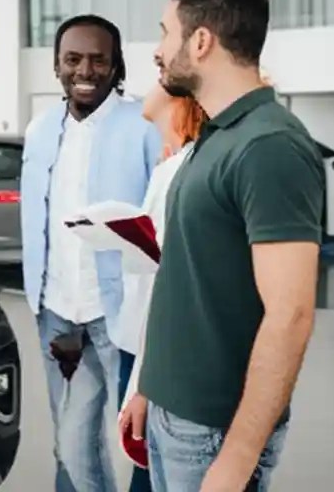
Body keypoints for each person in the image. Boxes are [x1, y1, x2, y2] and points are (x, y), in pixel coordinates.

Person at [129, 0, 325, 492]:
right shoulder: (218, 135)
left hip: (213, 433)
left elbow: (292, 315)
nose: (158, 49)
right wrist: (151, 387)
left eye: (165, 31)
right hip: (176, 412)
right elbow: (187, 280)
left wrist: (237, 459)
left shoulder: (269, 146)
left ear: (200, 41)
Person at [21, 14, 162, 492]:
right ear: (57, 65)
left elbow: (158, 218)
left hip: (123, 312)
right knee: (71, 441)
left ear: (117, 65)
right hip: (57, 310)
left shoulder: (144, 125)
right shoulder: (39, 130)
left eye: (99, 60)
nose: (85, 70)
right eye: (73, 59)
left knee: (142, 443)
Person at [114, 82, 208, 492]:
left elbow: (165, 289)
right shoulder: (172, 166)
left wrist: (144, 385)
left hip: (154, 360)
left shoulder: (178, 173)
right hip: (142, 348)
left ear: (181, 100)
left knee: (151, 474)